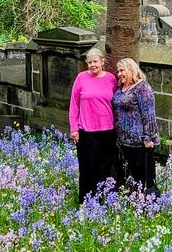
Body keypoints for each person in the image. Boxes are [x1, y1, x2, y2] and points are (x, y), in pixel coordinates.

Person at [68, 48, 117, 204]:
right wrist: (74, 128)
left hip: (108, 131)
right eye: (89, 62)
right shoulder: (81, 78)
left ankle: (103, 202)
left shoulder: (111, 79)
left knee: (105, 169)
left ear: (102, 62)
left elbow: (117, 102)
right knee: (87, 168)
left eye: (95, 61)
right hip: (87, 131)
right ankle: (86, 202)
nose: (92, 65)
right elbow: (74, 104)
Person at [112, 57, 159, 194]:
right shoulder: (121, 89)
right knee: (131, 176)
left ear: (131, 69)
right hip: (124, 142)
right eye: (118, 71)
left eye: (122, 70)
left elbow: (149, 114)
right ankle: (134, 201)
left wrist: (148, 138)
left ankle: (149, 204)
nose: (119, 74)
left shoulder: (142, 87)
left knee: (144, 178)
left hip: (140, 142)